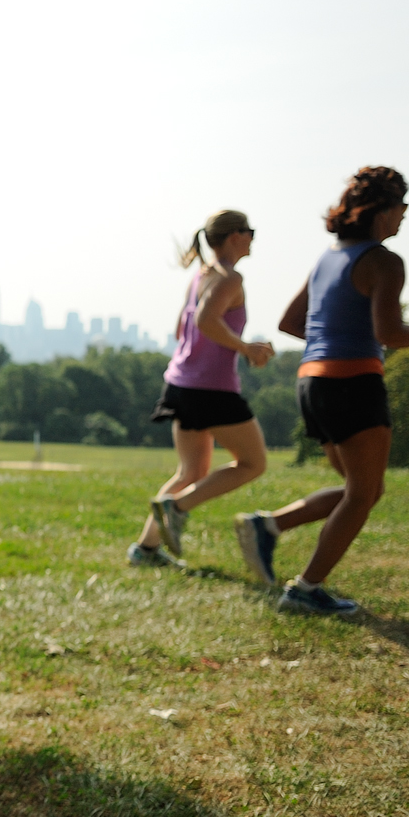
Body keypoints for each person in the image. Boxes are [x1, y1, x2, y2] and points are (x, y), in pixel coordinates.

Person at [233, 168, 409, 614]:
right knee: (361, 494)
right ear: (381, 210)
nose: (405, 216)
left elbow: (290, 323)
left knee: (364, 489)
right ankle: (306, 589)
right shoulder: (384, 261)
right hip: (353, 381)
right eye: (401, 207)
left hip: (311, 383)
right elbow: (388, 332)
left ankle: (268, 527)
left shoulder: (328, 257)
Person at [134, 210, 275, 567]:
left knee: (191, 472)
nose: (253, 238)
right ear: (233, 237)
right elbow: (205, 321)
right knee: (253, 463)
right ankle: (177, 507)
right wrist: (246, 348)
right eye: (250, 231)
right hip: (212, 390)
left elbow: (181, 330)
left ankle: (145, 550)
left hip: (180, 384)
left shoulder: (201, 276)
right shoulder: (230, 278)